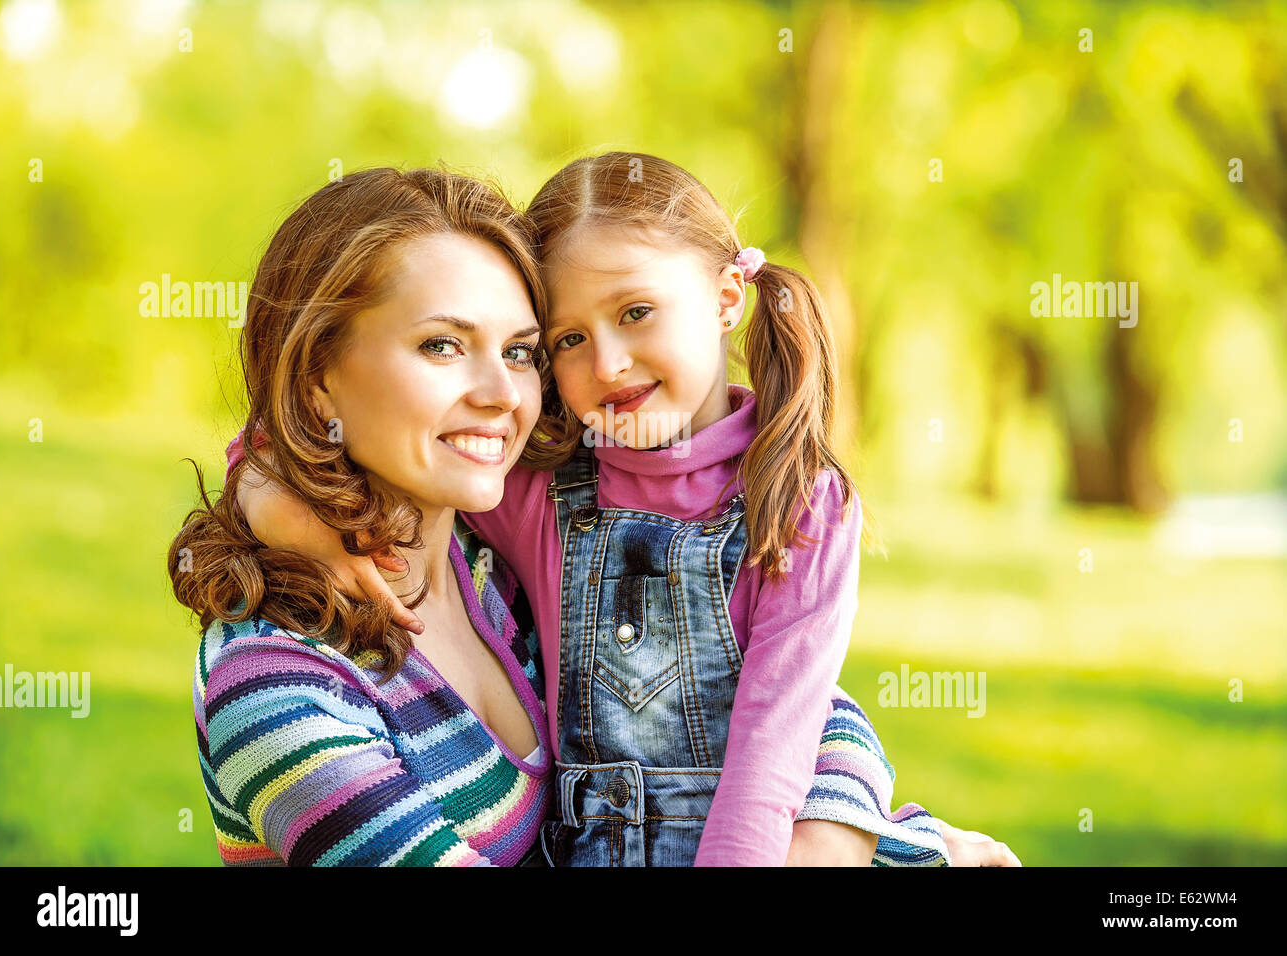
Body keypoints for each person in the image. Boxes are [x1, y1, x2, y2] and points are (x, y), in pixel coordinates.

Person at [230, 156, 1020, 867]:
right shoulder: (534, 503)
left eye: (518, 352)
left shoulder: (492, 574)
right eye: (566, 340)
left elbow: (793, 724)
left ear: (726, 297)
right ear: (318, 378)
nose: (603, 364)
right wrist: (280, 506)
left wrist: (852, 826)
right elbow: (276, 442)